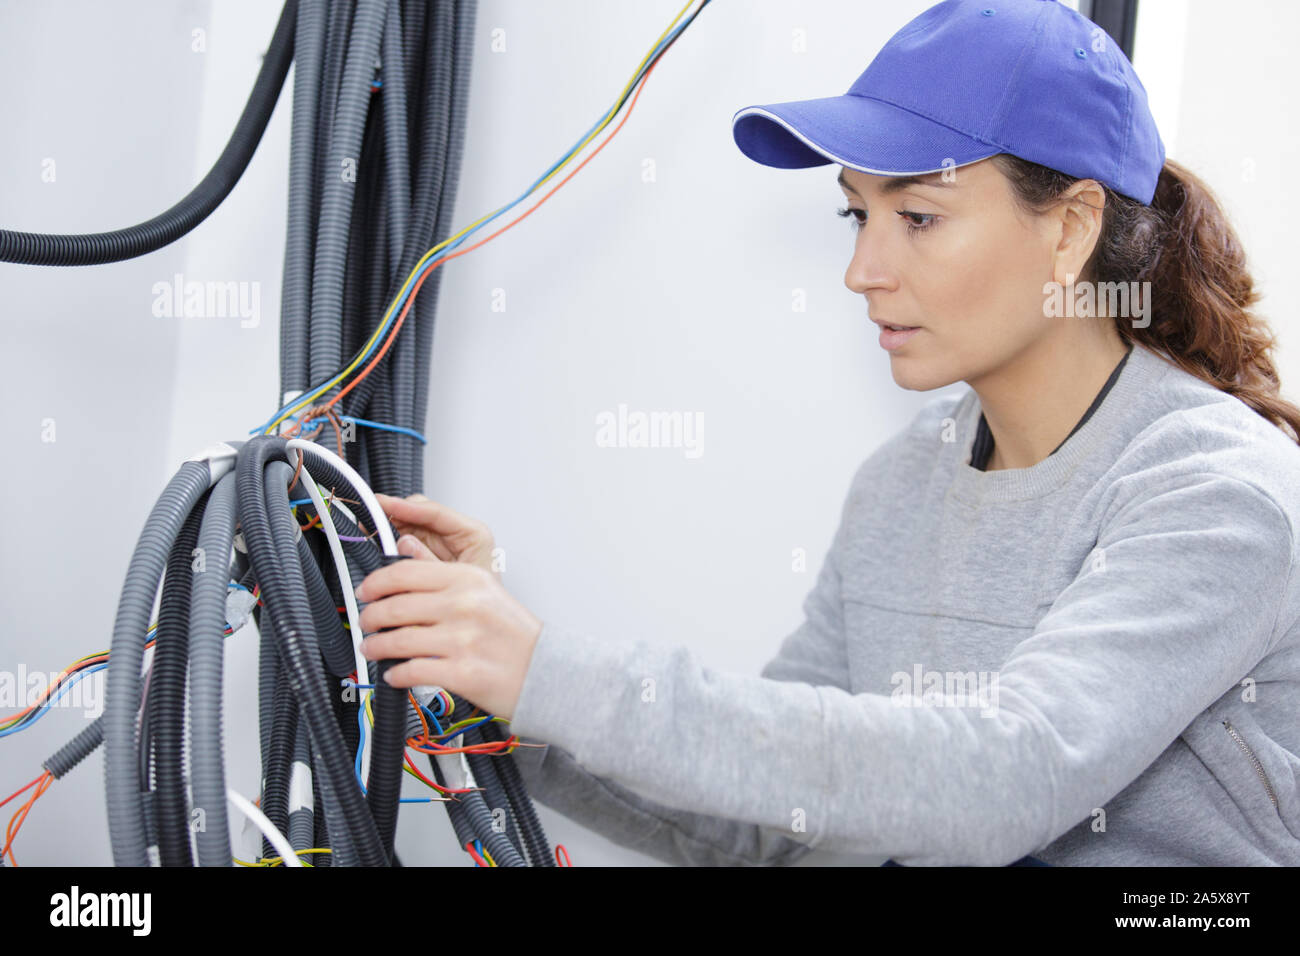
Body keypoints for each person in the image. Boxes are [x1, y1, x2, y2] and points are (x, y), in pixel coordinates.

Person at [353, 0, 1300, 865]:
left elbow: (1014, 776)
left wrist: (548, 670)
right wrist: (502, 693)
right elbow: (778, 824)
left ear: (1071, 228)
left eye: (918, 218)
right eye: (858, 215)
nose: (861, 270)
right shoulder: (903, 482)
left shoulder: (1218, 493)